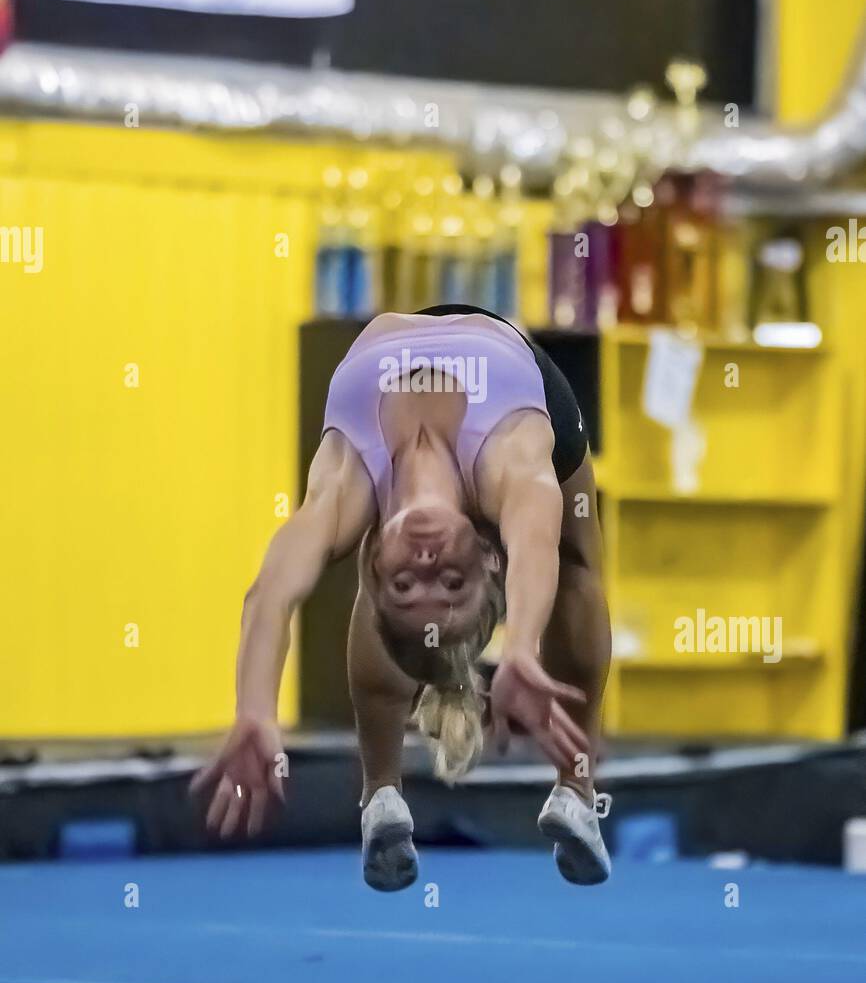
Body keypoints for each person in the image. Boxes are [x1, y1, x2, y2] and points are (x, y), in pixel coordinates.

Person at [192, 305, 612, 890]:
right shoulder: (509, 463)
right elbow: (537, 543)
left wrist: (255, 709)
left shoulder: (346, 486)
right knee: (577, 562)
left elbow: (271, 592)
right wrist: (520, 650)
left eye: (405, 584)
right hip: (521, 367)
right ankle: (577, 787)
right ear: (491, 558)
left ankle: (379, 792)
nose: (425, 564)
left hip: (388, 355)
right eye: (452, 583)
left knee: (520, 567)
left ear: (372, 564)